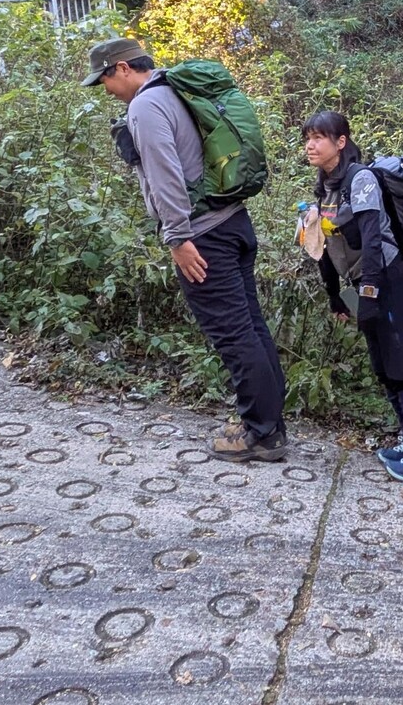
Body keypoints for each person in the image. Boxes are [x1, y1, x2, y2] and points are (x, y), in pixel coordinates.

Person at [83, 37, 286, 462]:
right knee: (250, 326)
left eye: (103, 78)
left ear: (121, 68)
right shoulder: (177, 90)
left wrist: (176, 237)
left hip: (201, 235)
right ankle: (269, 423)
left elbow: (165, 174)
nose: (105, 89)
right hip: (232, 222)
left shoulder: (145, 105)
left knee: (233, 334)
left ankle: (260, 433)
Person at [305, 111, 403, 483]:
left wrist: (369, 295)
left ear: (341, 142)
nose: (311, 145)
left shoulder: (360, 179)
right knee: (384, 369)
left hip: (390, 281)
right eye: (308, 138)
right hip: (366, 283)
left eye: (319, 138)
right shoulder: (325, 186)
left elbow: (373, 241)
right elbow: (325, 245)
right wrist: (335, 295)